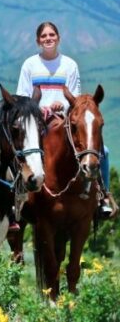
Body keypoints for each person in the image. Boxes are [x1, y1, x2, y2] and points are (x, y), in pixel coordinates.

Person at [16, 21, 116, 218]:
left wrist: (61, 105)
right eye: (44, 36)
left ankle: (102, 195)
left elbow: (75, 98)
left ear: (58, 38)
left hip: (64, 121)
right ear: (38, 40)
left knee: (103, 150)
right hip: (37, 121)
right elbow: (22, 97)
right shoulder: (30, 64)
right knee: (21, 150)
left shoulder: (69, 65)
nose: (48, 39)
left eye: (52, 35)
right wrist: (39, 108)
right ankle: (17, 196)